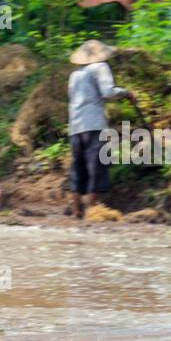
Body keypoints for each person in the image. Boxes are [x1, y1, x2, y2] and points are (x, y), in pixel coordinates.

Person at [66, 39, 131, 219]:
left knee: (77, 168)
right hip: (94, 125)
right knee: (96, 167)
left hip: (75, 126)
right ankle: (91, 211)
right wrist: (126, 93)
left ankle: (76, 210)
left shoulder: (75, 75)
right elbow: (108, 92)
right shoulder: (100, 68)